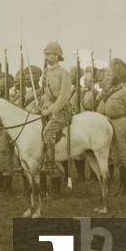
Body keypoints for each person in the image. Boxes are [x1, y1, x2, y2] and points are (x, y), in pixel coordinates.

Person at [40, 42, 73, 198]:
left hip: (63, 111)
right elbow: (46, 95)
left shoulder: (64, 74)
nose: (47, 57)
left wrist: (51, 110)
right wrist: (44, 107)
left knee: (47, 133)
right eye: (46, 54)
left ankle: (51, 167)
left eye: (50, 54)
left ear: (57, 56)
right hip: (50, 109)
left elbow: (64, 96)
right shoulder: (46, 72)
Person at [103, 58, 126, 195]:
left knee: (124, 154)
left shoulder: (125, 91)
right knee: (115, 154)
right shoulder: (111, 90)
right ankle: (121, 185)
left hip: (122, 123)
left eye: (110, 74)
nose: (108, 77)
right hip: (110, 123)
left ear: (117, 75)